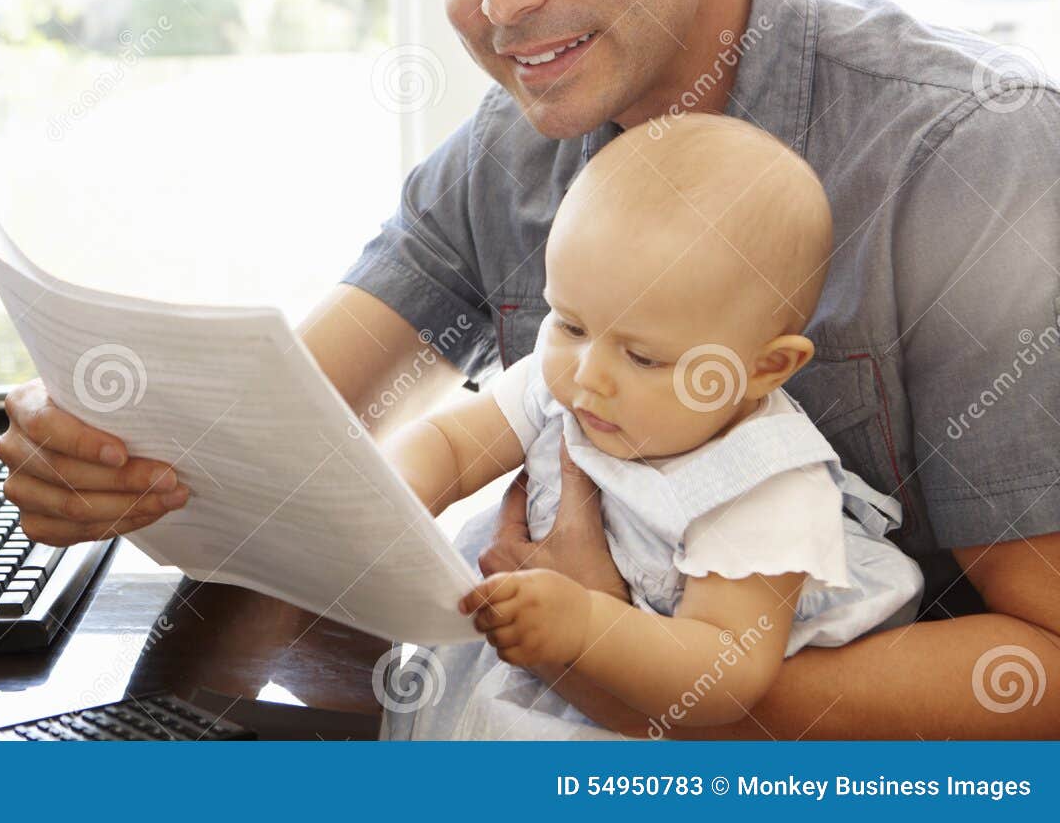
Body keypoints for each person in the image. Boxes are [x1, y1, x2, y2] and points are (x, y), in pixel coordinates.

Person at [0, 0, 1060, 737]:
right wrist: (102, 447)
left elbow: (1047, 663)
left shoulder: (969, 155)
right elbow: (288, 437)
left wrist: (638, 662)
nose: (498, 4)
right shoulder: (507, 154)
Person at [382, 112, 922, 739]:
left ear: (765, 367)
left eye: (644, 358)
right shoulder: (568, 377)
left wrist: (586, 624)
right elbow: (448, 445)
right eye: (569, 323)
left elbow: (725, 675)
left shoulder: (767, 490)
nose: (589, 375)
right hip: (500, 677)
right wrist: (388, 499)